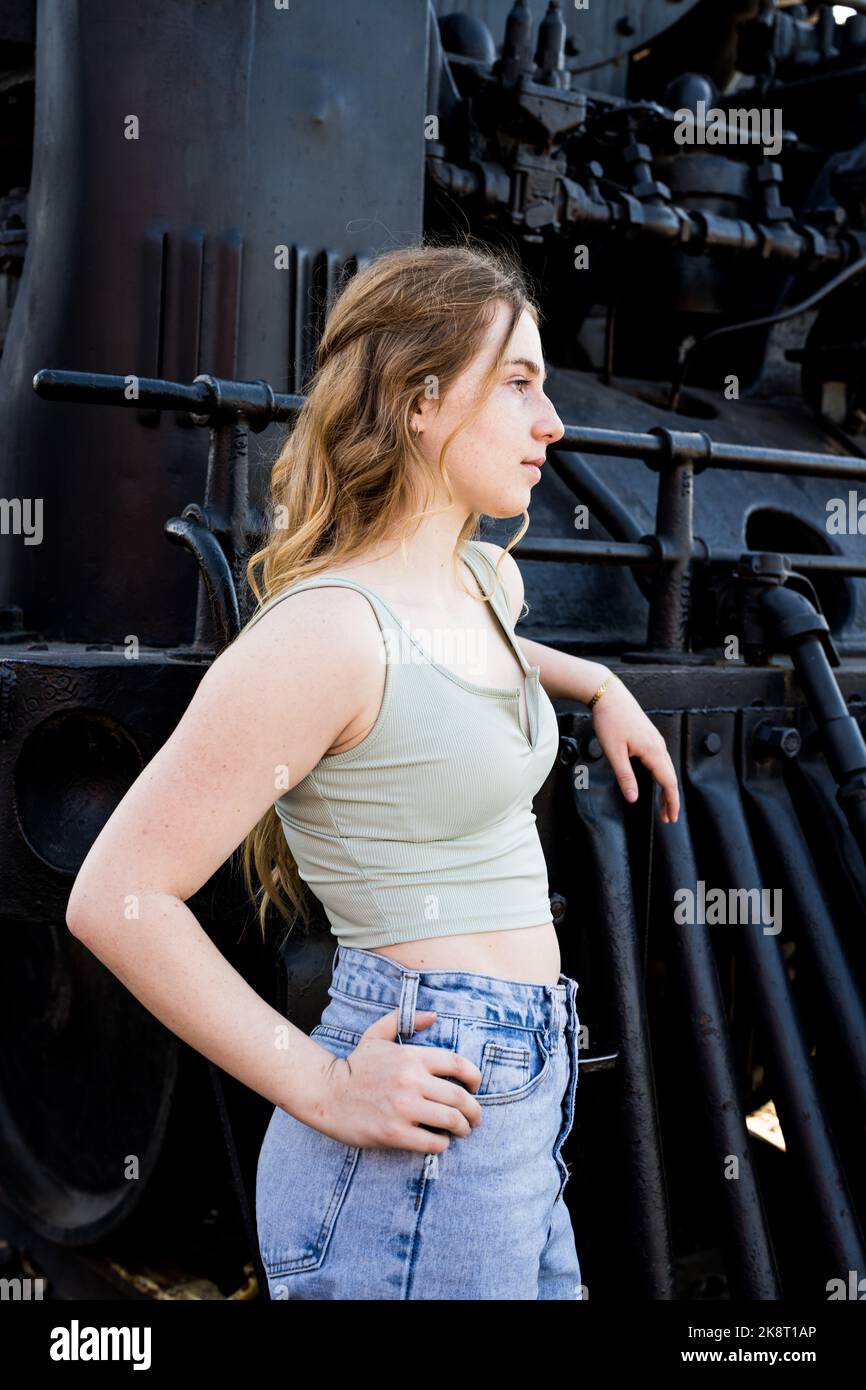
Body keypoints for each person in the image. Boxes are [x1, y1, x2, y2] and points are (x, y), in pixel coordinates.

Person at [66, 239, 679, 1301]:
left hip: (519, 1095)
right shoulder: (324, 635)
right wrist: (322, 1084)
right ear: (419, 400)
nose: (554, 422)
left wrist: (594, 684)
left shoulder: (482, 581)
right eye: (520, 384)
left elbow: (461, 662)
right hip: (415, 1127)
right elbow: (116, 899)